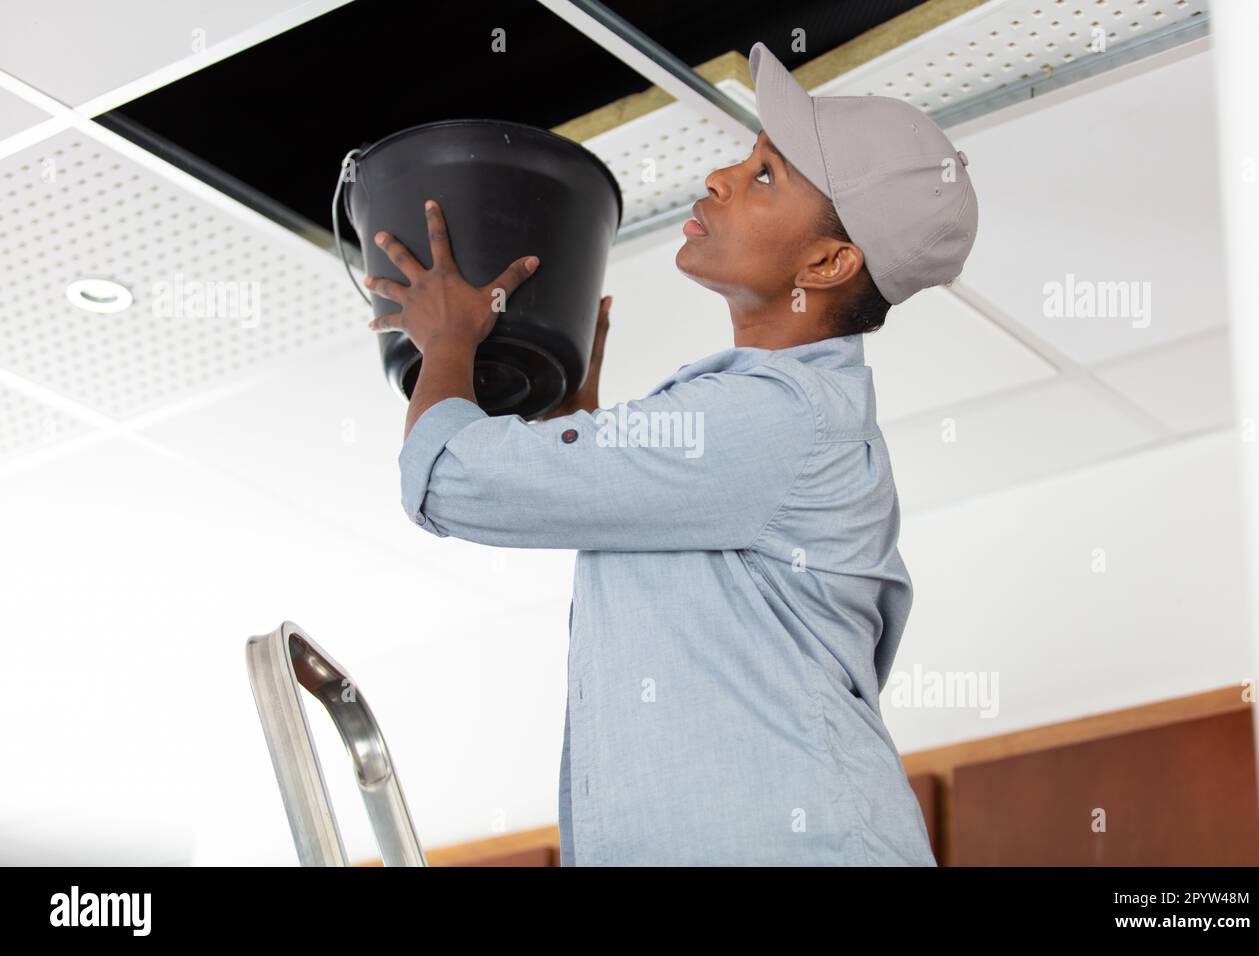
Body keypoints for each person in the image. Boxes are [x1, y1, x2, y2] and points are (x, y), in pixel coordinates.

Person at [363, 41, 977, 865]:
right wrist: (579, 418)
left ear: (828, 262)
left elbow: (454, 480)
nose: (722, 176)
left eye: (766, 176)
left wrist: (447, 339)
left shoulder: (776, 417)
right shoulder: (773, 424)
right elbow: (642, 538)